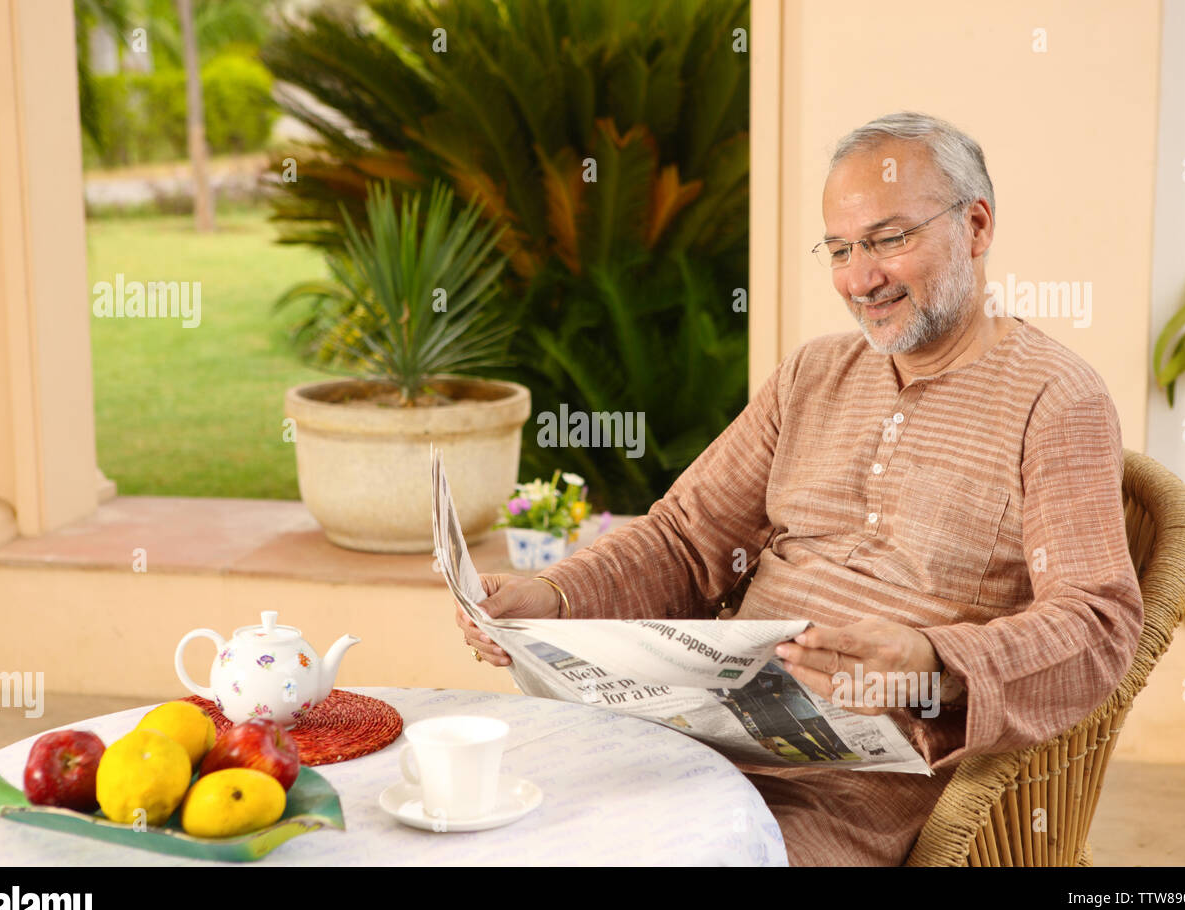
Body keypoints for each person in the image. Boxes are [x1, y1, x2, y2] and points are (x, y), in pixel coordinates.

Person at [454, 111, 1143, 866]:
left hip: (842, 790)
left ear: (975, 226)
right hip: (690, 738)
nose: (860, 279)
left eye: (889, 240)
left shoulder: (1056, 400)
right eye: (841, 249)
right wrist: (553, 598)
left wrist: (929, 658)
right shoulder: (813, 374)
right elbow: (688, 538)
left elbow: (1097, 624)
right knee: (494, 821)